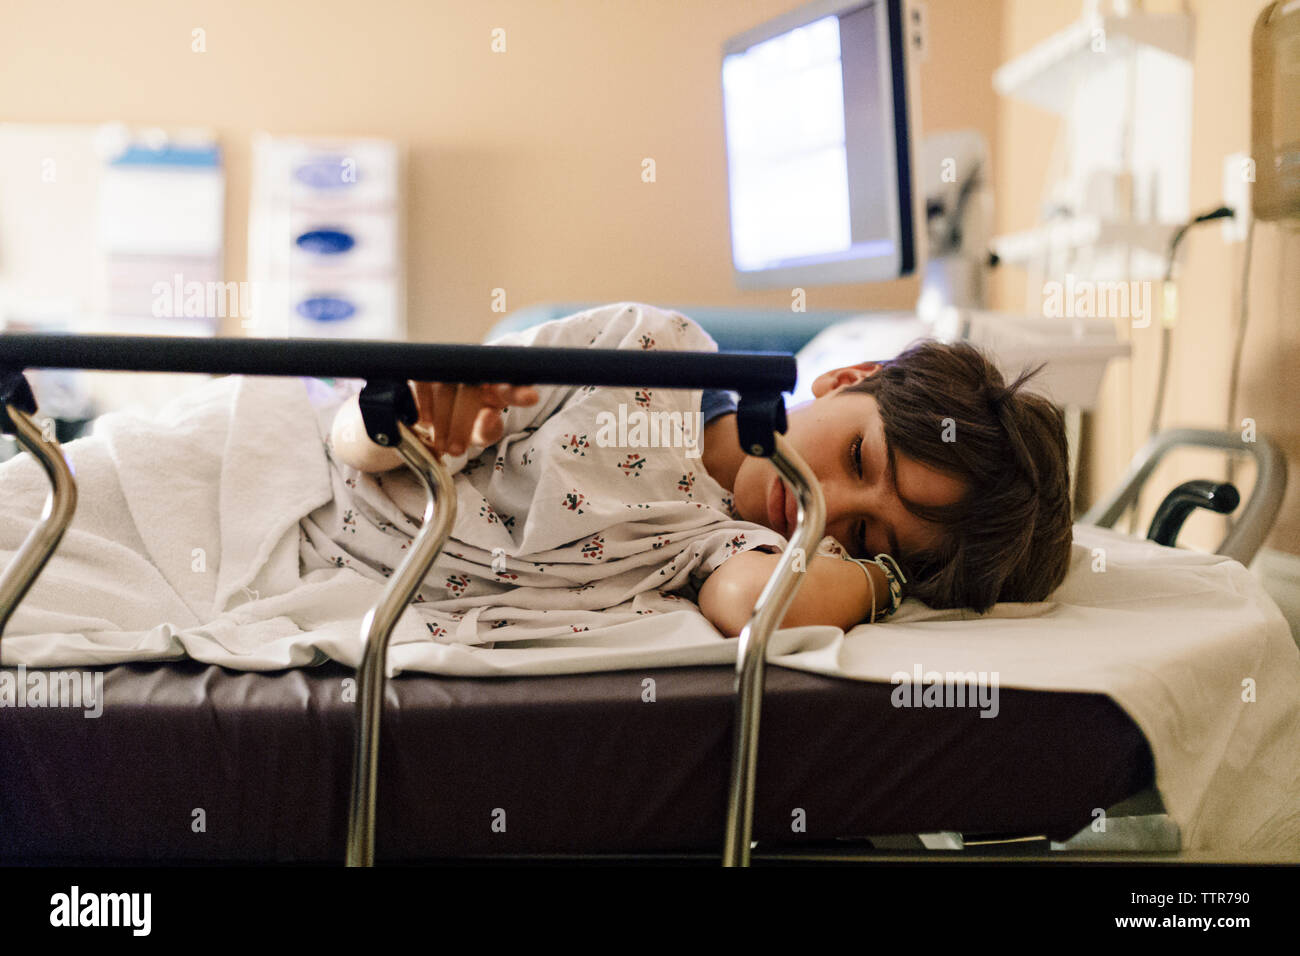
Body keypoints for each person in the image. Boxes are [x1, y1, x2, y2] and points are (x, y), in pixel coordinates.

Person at [319, 302, 1073, 639]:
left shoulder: (720, 543)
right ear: (845, 380)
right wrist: (405, 419)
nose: (822, 503)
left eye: (868, 532)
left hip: (329, 574)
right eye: (856, 458)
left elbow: (751, 604)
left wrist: (885, 580)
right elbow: (353, 429)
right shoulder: (653, 353)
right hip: (303, 468)